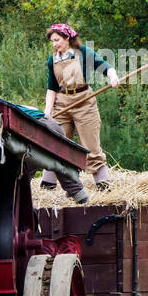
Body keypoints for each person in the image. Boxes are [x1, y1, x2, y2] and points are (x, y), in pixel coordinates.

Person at [41, 22, 119, 190]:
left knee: (91, 145)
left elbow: (105, 67)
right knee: (57, 142)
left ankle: (102, 184)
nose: (54, 44)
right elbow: (51, 88)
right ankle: (48, 183)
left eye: (57, 40)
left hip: (84, 102)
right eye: (52, 41)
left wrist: (113, 77)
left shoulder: (83, 52)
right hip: (62, 104)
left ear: (67, 38)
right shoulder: (52, 59)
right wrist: (47, 113)